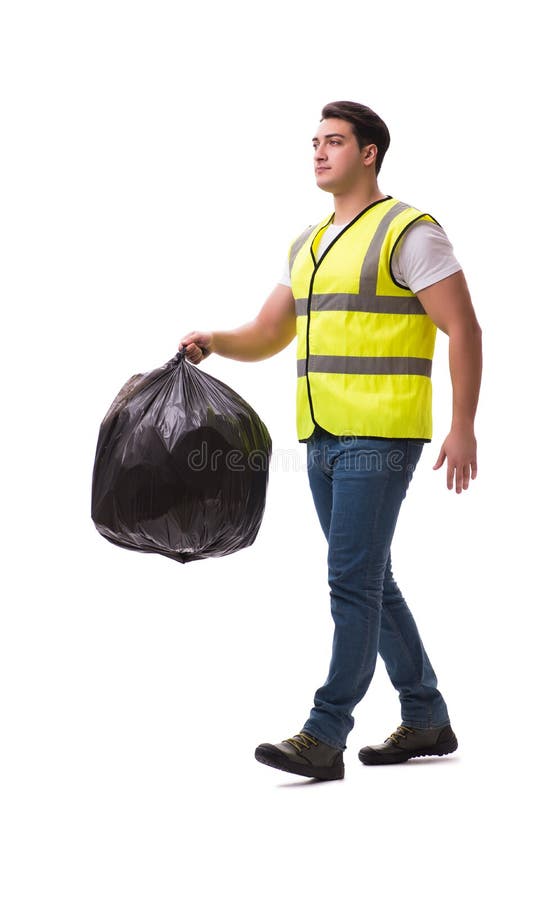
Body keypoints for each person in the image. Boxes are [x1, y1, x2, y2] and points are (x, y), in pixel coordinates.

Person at [179, 100, 482, 781]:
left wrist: (463, 425)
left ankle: (323, 734)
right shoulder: (308, 244)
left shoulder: (410, 233)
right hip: (319, 436)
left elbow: (463, 328)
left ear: (368, 152)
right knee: (372, 581)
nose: (318, 153)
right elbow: (268, 331)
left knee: (349, 582)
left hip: (380, 433)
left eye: (334, 142)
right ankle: (426, 716)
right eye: (314, 142)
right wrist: (216, 343)